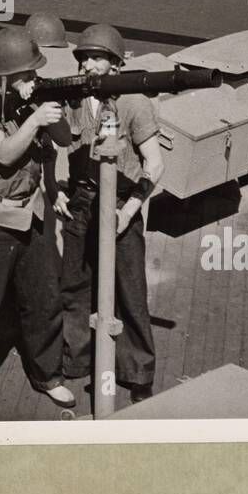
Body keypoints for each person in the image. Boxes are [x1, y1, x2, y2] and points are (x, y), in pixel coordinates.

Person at [0, 26, 76, 408]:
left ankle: (48, 375)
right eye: (27, 75)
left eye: (35, 74)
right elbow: (3, 153)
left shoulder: (29, 98)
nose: (33, 80)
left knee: (44, 299)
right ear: (4, 75)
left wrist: (46, 109)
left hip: (32, 215)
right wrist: (33, 120)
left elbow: (64, 139)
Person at [60, 23, 166, 403]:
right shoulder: (74, 99)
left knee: (130, 290)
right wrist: (56, 187)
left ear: (116, 64)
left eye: (97, 57)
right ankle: (77, 359)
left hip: (121, 202)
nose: (89, 64)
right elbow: (58, 142)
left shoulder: (134, 102)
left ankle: (138, 372)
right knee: (75, 283)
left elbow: (155, 164)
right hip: (82, 199)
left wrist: (131, 209)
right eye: (84, 57)